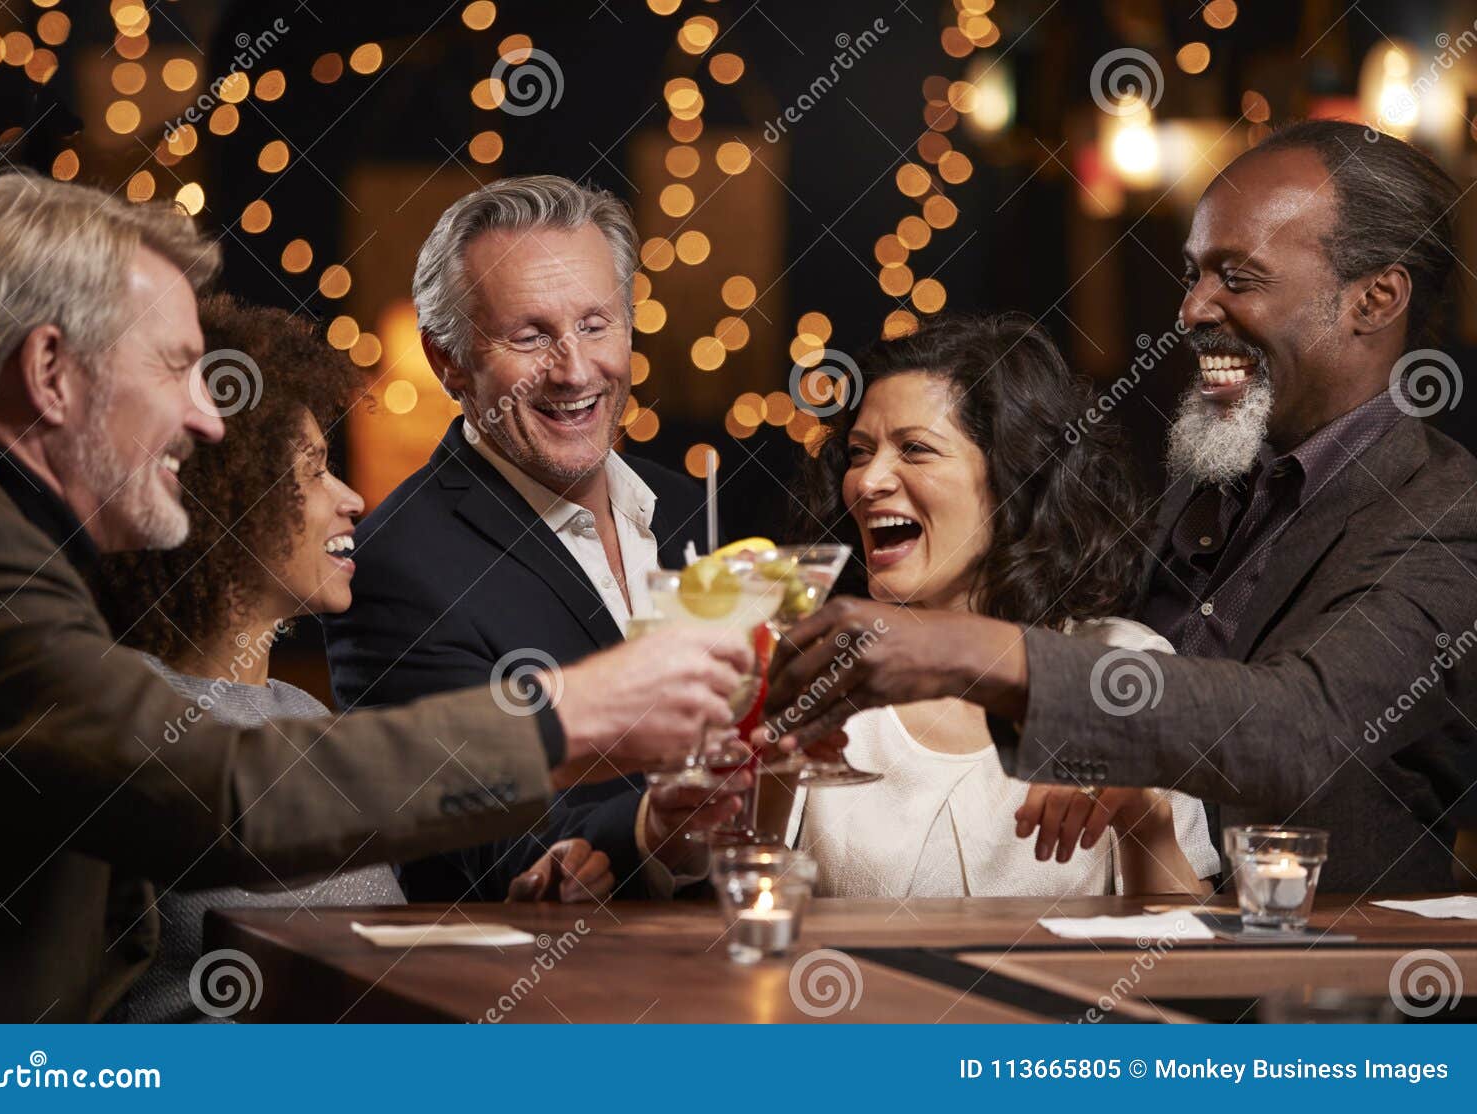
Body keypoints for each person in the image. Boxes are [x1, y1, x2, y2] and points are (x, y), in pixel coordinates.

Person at [0, 173, 749, 1021]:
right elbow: (224, 796)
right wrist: (565, 713)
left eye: (597, 322)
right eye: (174, 366)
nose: (208, 419)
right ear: (50, 370)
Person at [761, 121, 1477, 894]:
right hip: (1134, 976)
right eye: (1194, 273)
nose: (1193, 309)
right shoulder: (1202, 481)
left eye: (1237, 278)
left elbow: (1304, 729)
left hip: (1323, 993)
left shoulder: (1448, 513)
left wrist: (966, 649)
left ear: (1374, 299)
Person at [97, 295, 613, 1022]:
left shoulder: (302, 714)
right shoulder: (125, 714)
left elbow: (366, 967)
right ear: (223, 496)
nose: (352, 500)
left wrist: (518, 913)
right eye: (311, 472)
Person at [654, 316, 1217, 896]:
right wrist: (773, 769)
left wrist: (1143, 821)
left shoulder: (1124, 666)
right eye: (857, 452)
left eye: (915, 450)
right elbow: (741, 921)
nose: (867, 481)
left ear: (1014, 479)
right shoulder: (813, 667)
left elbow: (1193, 959)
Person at [324, 175, 713, 899]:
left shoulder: (692, 511)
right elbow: (486, 844)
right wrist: (648, 831)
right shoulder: (395, 567)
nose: (574, 371)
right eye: (529, 335)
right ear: (448, 363)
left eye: (596, 324)